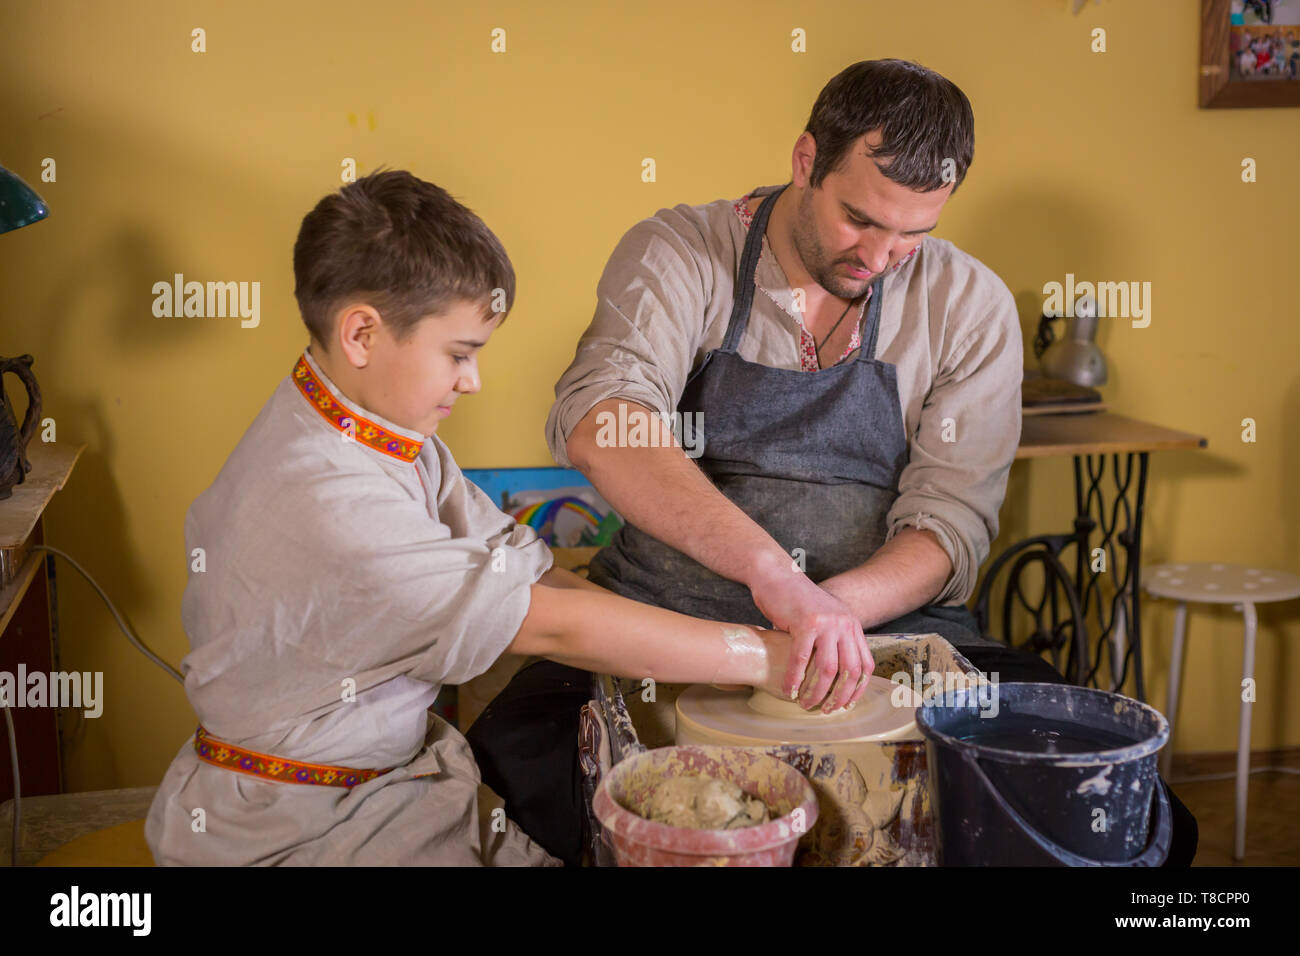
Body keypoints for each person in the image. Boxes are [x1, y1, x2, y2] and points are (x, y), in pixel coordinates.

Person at [468, 59, 1198, 866]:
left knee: (1126, 819)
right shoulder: (681, 252)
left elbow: (949, 524)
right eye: (859, 219)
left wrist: (827, 615)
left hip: (885, 632)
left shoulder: (969, 304)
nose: (880, 256)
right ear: (805, 160)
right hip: (661, 618)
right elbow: (604, 424)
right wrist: (772, 577)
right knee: (508, 774)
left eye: (913, 234)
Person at [144, 169, 826, 866]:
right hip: (301, 824)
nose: (473, 381)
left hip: (383, 788)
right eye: (459, 354)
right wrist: (759, 657)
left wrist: (718, 648)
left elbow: (527, 575)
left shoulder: (376, 431)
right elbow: (548, 624)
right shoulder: (330, 505)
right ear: (361, 334)